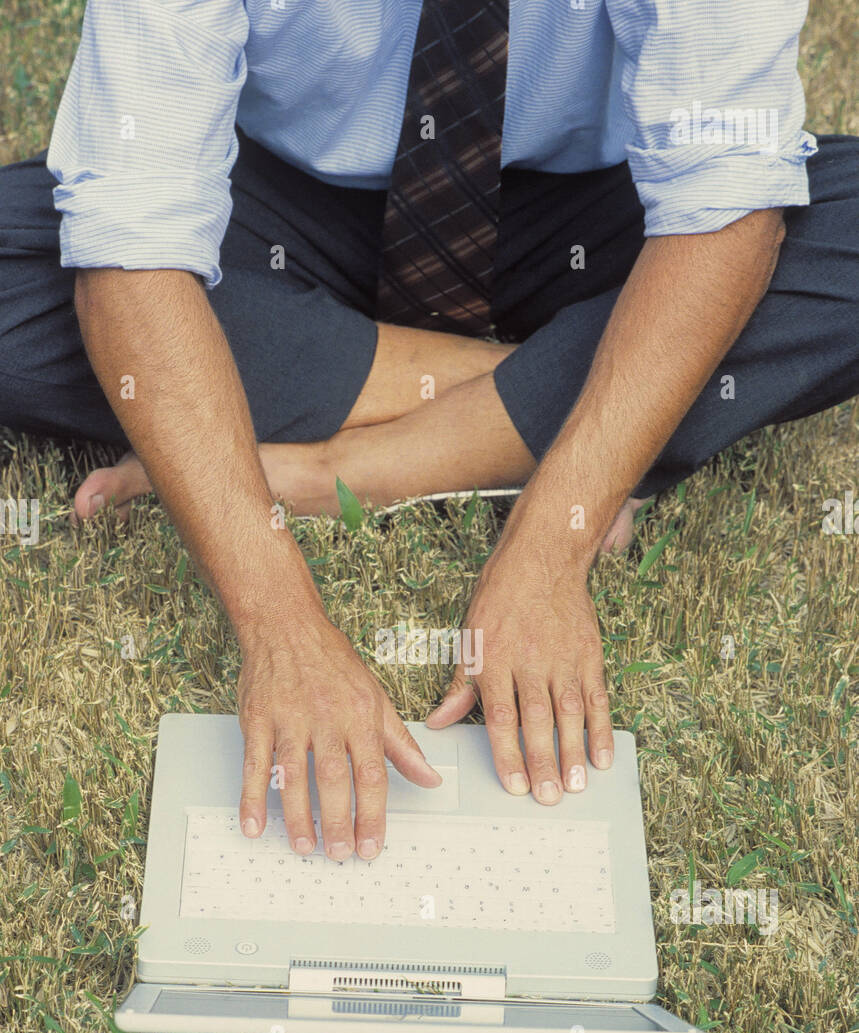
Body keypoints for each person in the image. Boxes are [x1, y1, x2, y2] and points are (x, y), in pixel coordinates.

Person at [0, 1, 856, 863]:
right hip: (288, 214)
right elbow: (130, 242)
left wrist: (550, 539)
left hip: (595, 220)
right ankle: (562, 385)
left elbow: (728, 201)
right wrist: (282, 630)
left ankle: (361, 465)